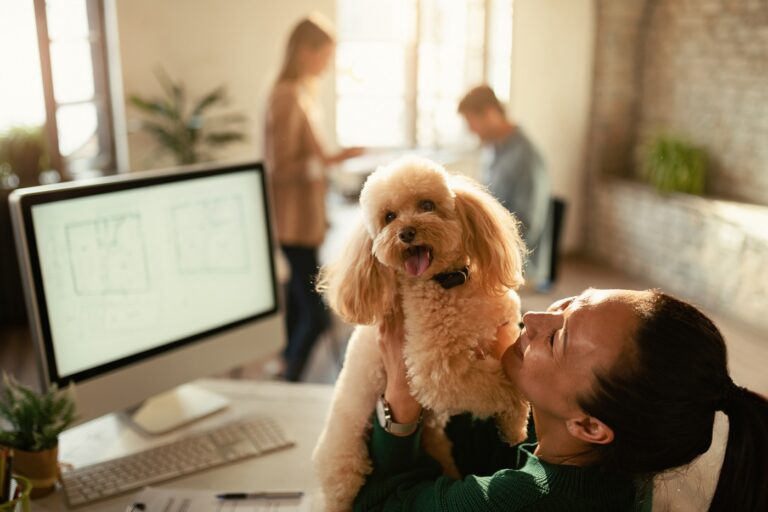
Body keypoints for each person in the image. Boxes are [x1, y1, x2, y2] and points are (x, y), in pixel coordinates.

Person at [354, 288, 768, 511]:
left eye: (557, 339)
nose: (532, 320)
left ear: (589, 426)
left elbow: (379, 504)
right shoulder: (622, 454)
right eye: (571, 303)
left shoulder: (529, 499)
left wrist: (401, 400)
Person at [264, 15, 363, 381]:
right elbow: (280, 167)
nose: (327, 64)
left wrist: (334, 160)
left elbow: (304, 159)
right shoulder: (285, 97)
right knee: (318, 315)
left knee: (296, 302)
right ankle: (291, 377)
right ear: (305, 52)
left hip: (304, 221)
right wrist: (324, 165)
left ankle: (284, 369)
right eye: (325, 54)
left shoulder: (300, 94)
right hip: (292, 223)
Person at [458, 85, 551, 287]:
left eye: (471, 122)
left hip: (517, 259)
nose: (470, 130)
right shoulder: (493, 148)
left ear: (490, 114)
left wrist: (477, 241)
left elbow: (527, 228)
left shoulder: (526, 158)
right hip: (490, 244)